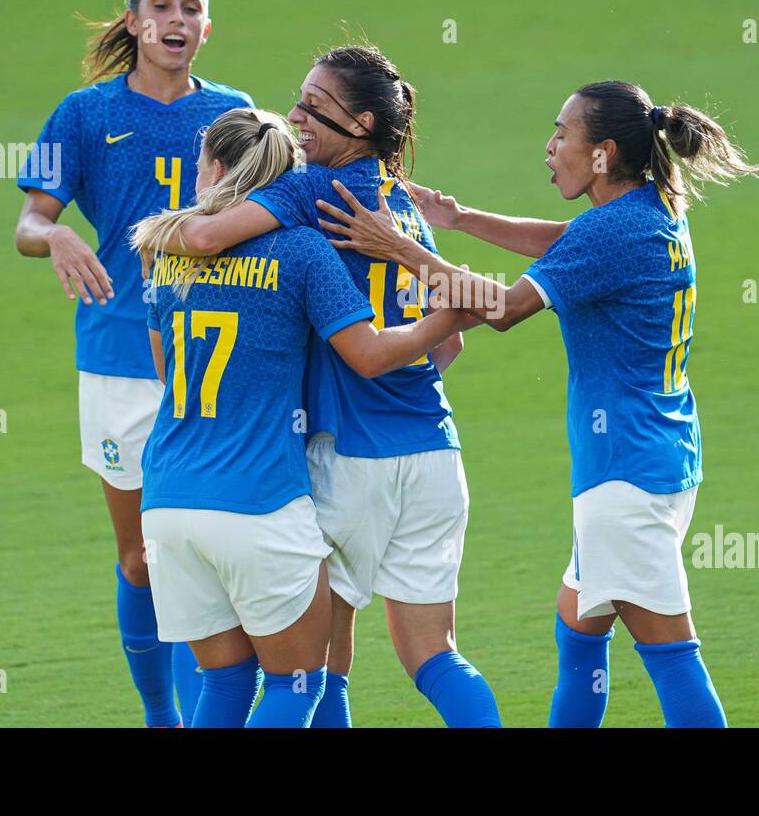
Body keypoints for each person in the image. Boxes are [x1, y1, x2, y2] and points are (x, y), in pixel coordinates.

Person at [317, 80, 759, 727]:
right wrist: (459, 218)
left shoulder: (614, 232)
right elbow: (564, 240)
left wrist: (400, 249)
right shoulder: (652, 210)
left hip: (626, 477)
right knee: (578, 626)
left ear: (604, 153)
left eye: (562, 134)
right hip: (659, 457)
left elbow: (504, 309)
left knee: (671, 655)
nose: (549, 148)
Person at [152, 45, 501, 728]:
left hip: (346, 458)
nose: (297, 117)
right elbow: (451, 338)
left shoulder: (306, 192)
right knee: (437, 658)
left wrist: (164, 232)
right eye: (299, 99)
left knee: (317, 672)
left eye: (315, 107)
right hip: (434, 451)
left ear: (363, 123)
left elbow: (205, 235)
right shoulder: (403, 208)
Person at [13, 0, 252, 727]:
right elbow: (28, 221)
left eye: (192, 7)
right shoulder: (81, 116)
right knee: (144, 557)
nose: (177, 19)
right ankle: (162, 717)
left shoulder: (237, 116)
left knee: (204, 557)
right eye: (161, 5)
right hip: (119, 359)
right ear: (133, 22)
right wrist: (53, 237)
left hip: (215, 355)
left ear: (207, 27)